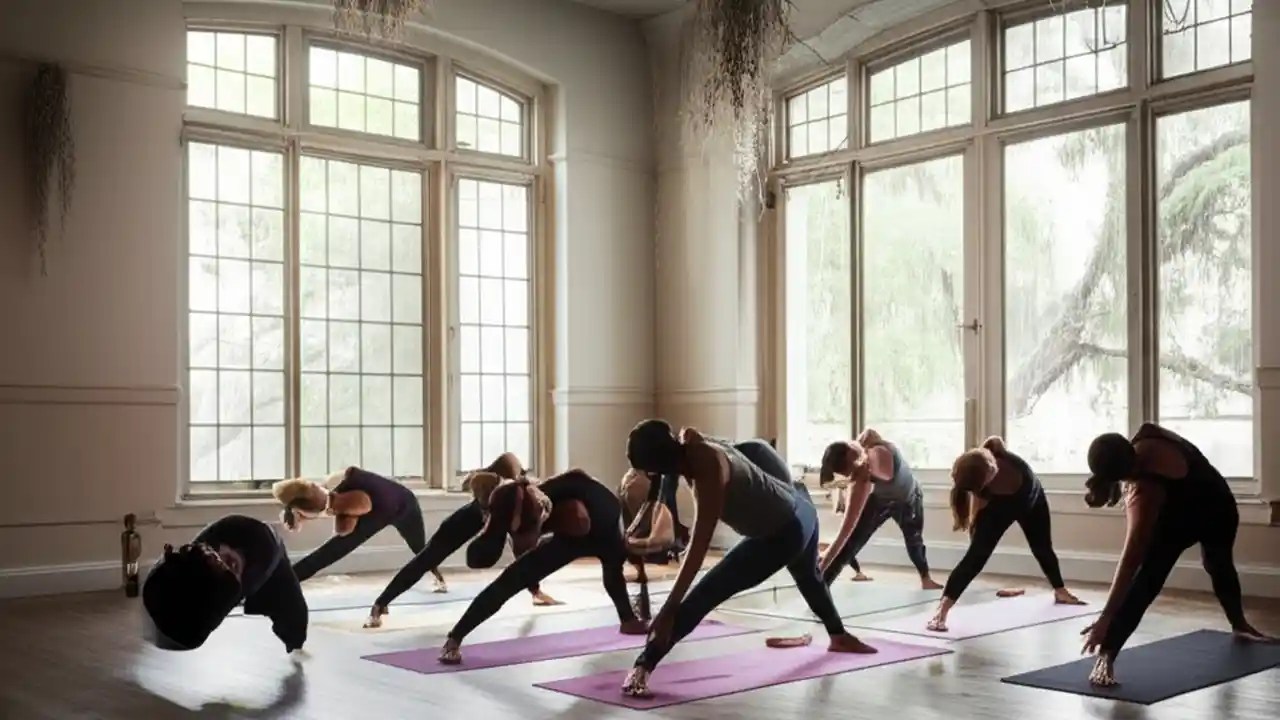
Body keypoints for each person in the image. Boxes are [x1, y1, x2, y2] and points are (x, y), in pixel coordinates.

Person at [619, 420, 877, 698]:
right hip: (802, 508)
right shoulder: (693, 442)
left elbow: (699, 548)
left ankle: (643, 666)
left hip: (783, 533)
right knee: (809, 577)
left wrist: (669, 608)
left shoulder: (707, 473)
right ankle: (838, 635)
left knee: (706, 592)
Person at [1079, 423, 1274, 686]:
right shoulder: (1144, 466)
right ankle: (1108, 654)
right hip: (1176, 522)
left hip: (1218, 507)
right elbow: (1133, 567)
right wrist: (1109, 618)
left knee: (1219, 565)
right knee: (1148, 579)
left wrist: (1105, 616)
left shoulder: (1146, 479)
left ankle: (1240, 624)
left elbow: (1128, 562)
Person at [437, 469, 649, 664]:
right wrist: (533, 587)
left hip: (603, 523)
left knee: (613, 567)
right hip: (569, 528)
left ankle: (628, 619)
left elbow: (613, 568)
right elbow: (515, 570)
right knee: (512, 578)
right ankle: (455, 637)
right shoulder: (511, 505)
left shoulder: (582, 508)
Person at [363, 452, 559, 628]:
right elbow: (520, 547)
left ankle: (381, 603)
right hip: (459, 524)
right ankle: (380, 604)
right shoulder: (505, 487)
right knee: (426, 560)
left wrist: (535, 590)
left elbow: (521, 550)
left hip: (485, 509)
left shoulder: (519, 495)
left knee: (427, 559)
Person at [925, 436, 1084, 632]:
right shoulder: (981, 481)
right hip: (1000, 508)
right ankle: (941, 612)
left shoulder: (1003, 465)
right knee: (975, 558)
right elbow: (978, 505)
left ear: (991, 470)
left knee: (1042, 547)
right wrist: (976, 529)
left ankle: (1061, 591)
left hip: (1033, 502)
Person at [141, 514, 307, 653]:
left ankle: (294, 643)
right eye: (227, 565)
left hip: (270, 557)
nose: (226, 562)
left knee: (295, 616)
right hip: (208, 587)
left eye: (229, 565)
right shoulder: (198, 562)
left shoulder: (261, 547)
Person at [274, 466, 445, 591]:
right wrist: (295, 513)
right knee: (328, 553)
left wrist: (303, 516)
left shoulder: (342, 496)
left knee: (420, 548)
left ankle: (438, 577)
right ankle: (280, 585)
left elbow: (345, 528)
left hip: (403, 505)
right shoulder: (327, 489)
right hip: (384, 502)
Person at [817, 429, 944, 590]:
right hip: (879, 501)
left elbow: (880, 466)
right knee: (852, 541)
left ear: (851, 456)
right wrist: (820, 571)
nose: (851, 476)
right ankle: (821, 587)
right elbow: (844, 534)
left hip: (909, 499)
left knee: (914, 542)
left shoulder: (874, 455)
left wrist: (865, 464)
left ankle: (926, 579)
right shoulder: (860, 479)